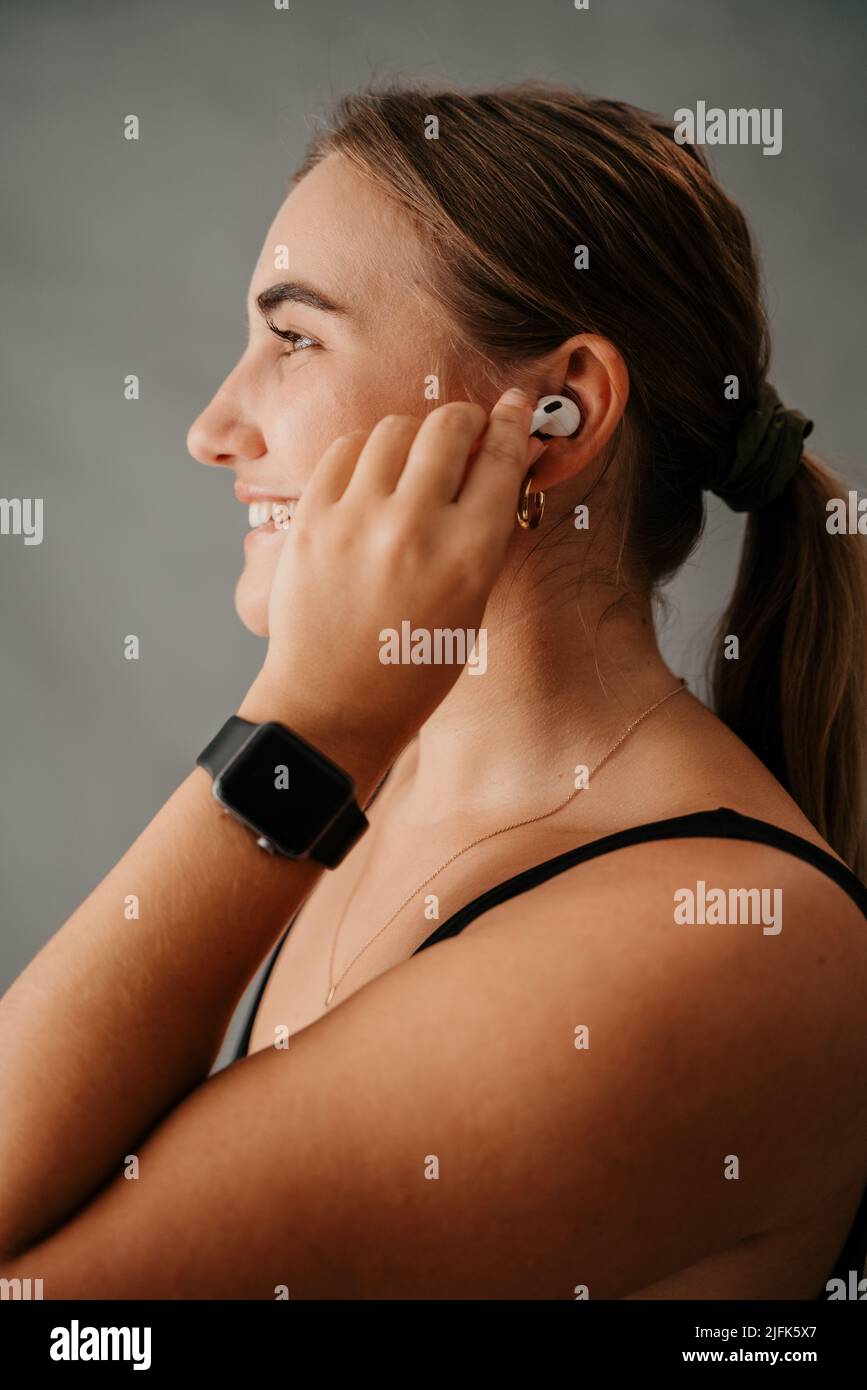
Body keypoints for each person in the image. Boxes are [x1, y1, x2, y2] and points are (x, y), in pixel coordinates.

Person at [1, 84, 866, 1301]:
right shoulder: (377, 803)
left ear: (556, 417)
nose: (211, 428)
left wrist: (309, 723)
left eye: (293, 338)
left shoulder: (713, 939)